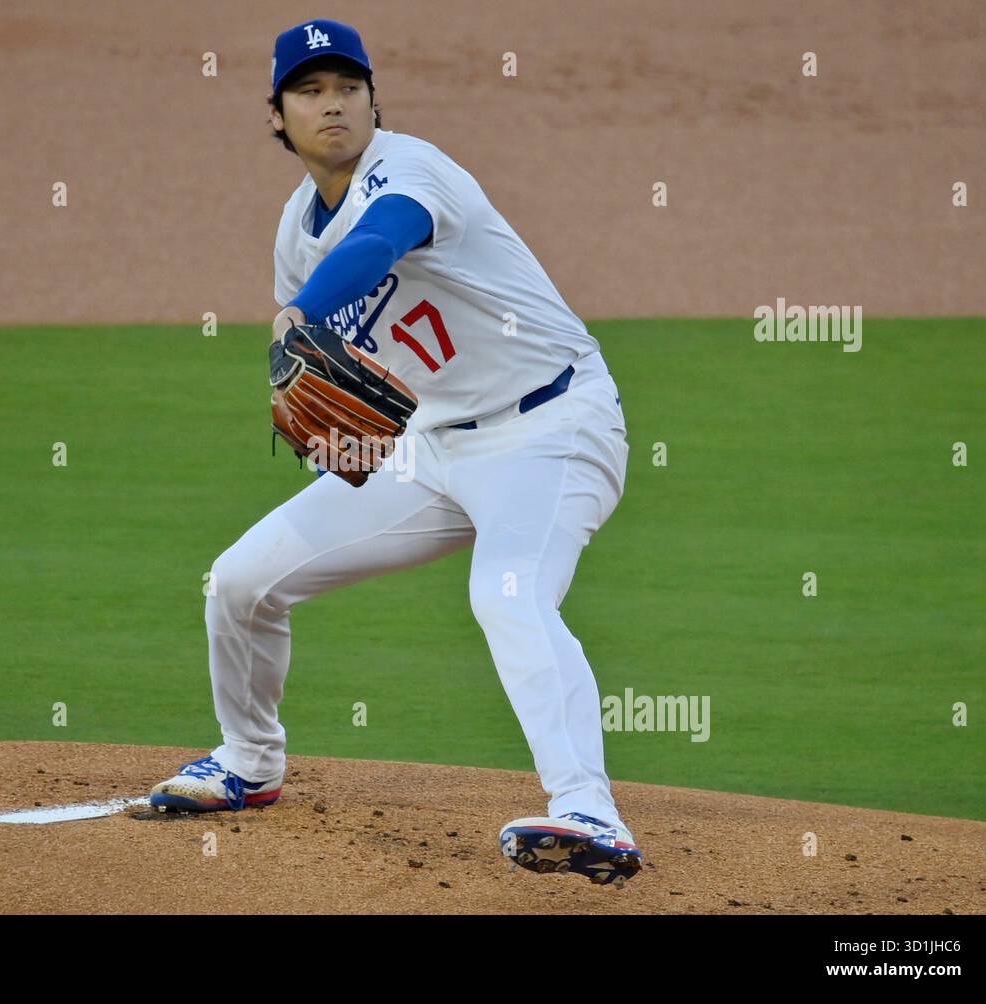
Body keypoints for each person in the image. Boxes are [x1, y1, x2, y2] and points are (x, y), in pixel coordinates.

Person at [150, 18, 641, 882]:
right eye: (309, 91)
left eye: (348, 87)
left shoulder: (413, 170)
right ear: (277, 116)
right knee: (240, 580)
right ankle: (248, 762)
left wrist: (302, 309)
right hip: (433, 450)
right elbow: (346, 372)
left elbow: (381, 241)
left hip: (554, 428)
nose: (332, 104)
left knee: (510, 595)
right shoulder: (295, 230)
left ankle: (590, 814)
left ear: (377, 100)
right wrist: (331, 442)